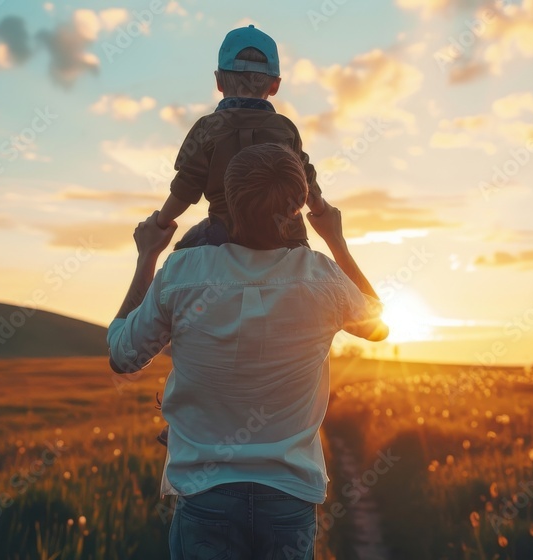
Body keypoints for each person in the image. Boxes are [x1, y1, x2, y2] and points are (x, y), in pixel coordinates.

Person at [108, 143, 388, 559]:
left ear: (225, 203)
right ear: (295, 209)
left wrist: (147, 255)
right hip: (289, 500)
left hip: (205, 496)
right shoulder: (322, 277)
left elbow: (123, 355)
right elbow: (377, 326)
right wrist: (337, 241)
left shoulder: (184, 272)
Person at [155, 24, 327, 250]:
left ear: (218, 81)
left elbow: (187, 185)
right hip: (287, 236)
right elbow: (305, 180)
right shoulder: (285, 128)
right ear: (275, 85)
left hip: (224, 234)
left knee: (182, 254)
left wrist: (160, 222)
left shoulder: (206, 127)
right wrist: (322, 210)